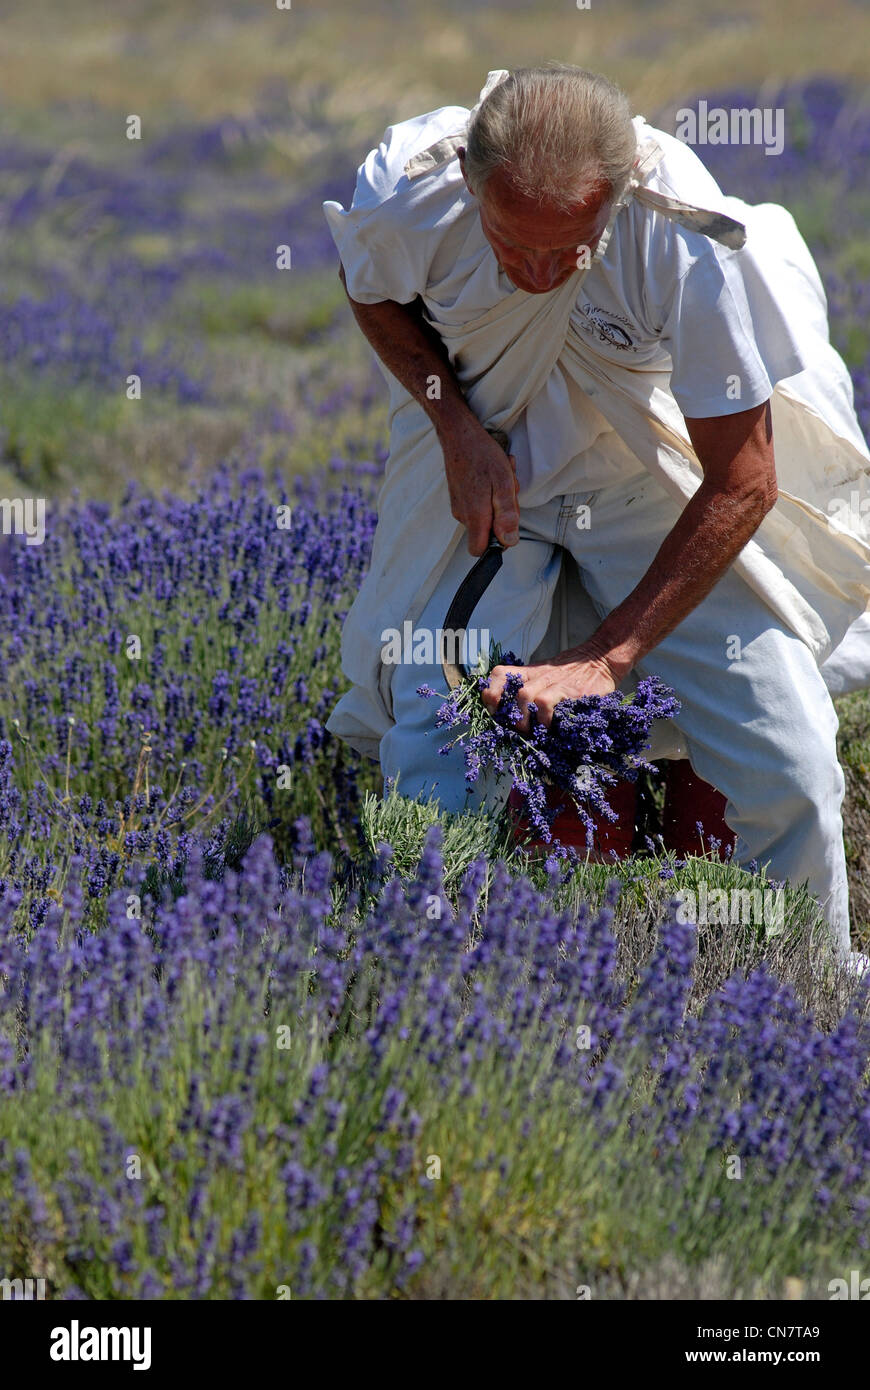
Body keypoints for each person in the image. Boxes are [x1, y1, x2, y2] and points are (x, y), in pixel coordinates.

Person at [322, 64, 870, 958]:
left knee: (793, 763)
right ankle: (417, 981)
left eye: (566, 251)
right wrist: (451, 420)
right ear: (470, 184)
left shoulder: (681, 239)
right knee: (437, 735)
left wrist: (607, 656)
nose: (537, 275)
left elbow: (743, 479)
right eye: (511, 244)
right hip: (491, 477)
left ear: (615, 202)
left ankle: (809, 995)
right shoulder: (411, 192)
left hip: (643, 482)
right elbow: (367, 282)